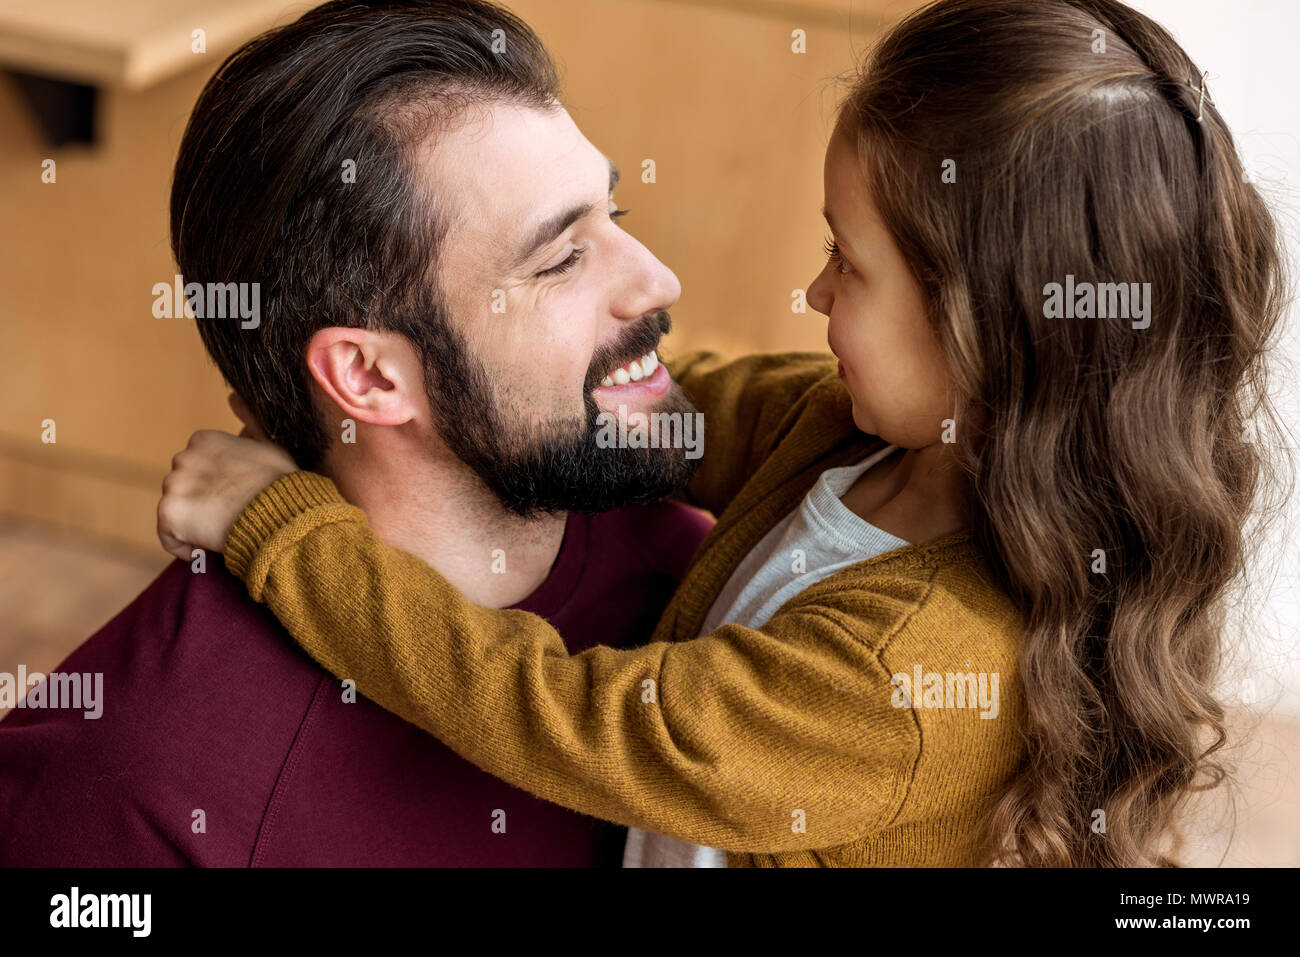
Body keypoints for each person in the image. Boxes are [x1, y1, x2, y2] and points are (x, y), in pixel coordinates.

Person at [159, 0, 1287, 867]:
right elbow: (660, 397)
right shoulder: (868, 436)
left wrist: (285, 526)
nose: (811, 288)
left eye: (848, 261)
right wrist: (405, 398)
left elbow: (575, 722)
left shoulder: (913, 670)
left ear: (985, 330)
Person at [0, 0, 716, 867]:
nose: (658, 280)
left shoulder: (716, 576)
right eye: (561, 258)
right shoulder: (129, 791)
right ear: (371, 377)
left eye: (617, 216)